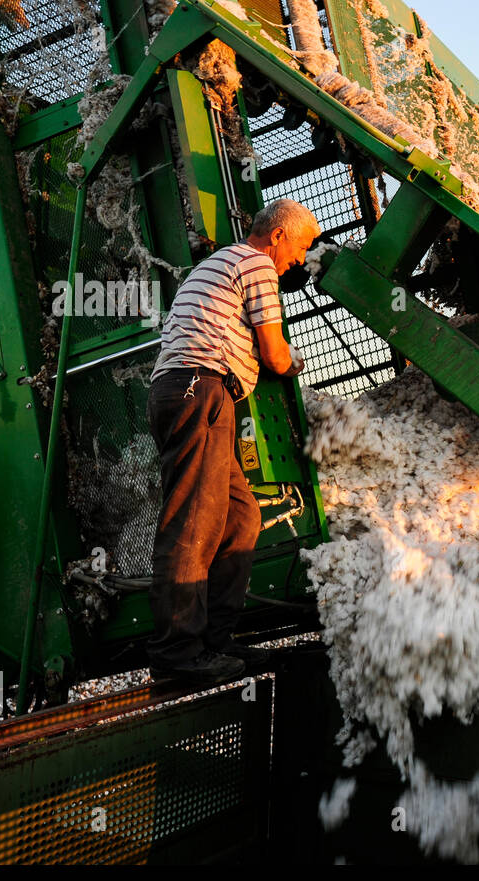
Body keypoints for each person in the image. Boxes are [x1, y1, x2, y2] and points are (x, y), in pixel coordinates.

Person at [144, 199, 321, 682]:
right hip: (198, 388)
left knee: (240, 518)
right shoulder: (257, 264)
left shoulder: (221, 263)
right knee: (193, 521)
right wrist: (296, 364)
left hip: (190, 390)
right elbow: (275, 354)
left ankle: (215, 642)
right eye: (303, 246)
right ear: (279, 236)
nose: (302, 260)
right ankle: (176, 653)